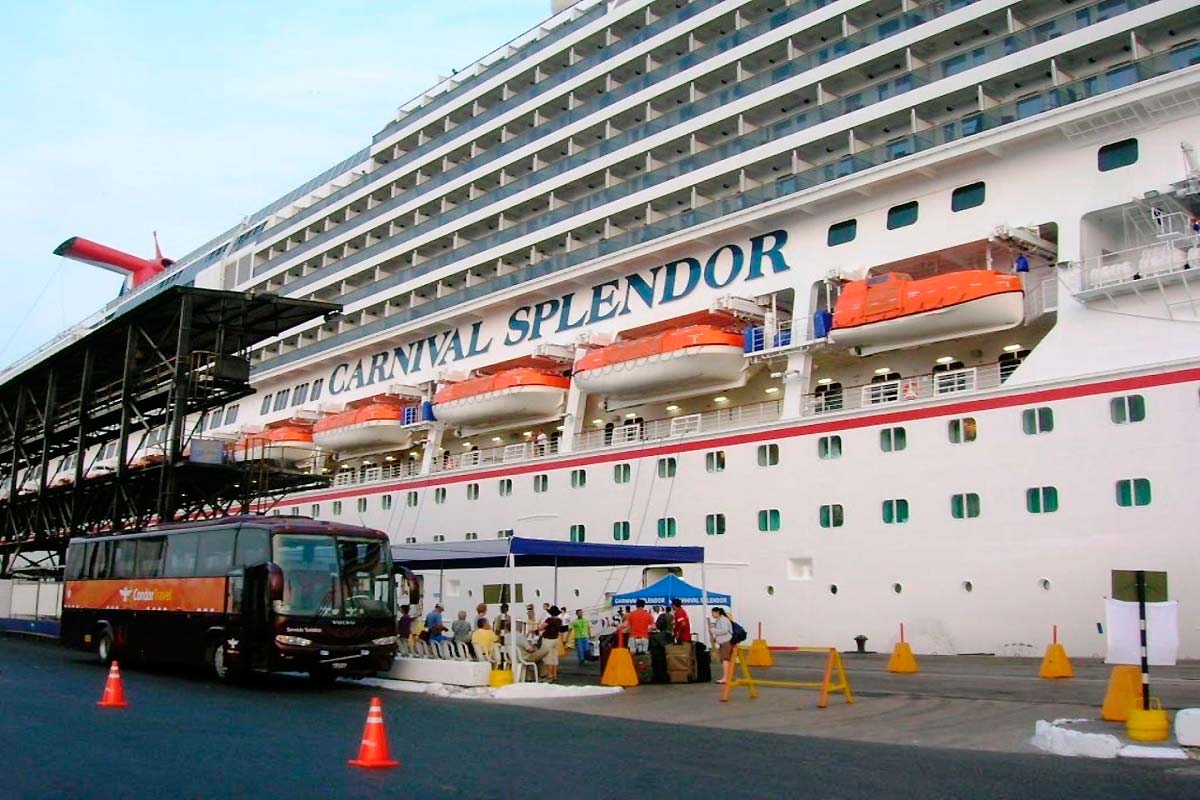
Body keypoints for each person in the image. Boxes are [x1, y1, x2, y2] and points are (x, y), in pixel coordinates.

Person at [710, 607, 734, 685]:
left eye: (713, 612)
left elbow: (725, 630)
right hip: (724, 642)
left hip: (726, 642)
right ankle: (727, 677)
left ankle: (725, 678)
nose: (712, 614)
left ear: (717, 612)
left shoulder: (723, 619)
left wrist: (713, 630)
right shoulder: (720, 620)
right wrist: (715, 638)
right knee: (725, 660)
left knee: (725, 660)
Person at [540, 606, 564, 681]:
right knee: (555, 657)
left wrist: (540, 628)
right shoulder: (559, 621)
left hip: (548, 639)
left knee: (549, 657)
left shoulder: (549, 620)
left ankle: (550, 674)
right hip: (555, 639)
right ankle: (555, 674)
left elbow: (541, 627)